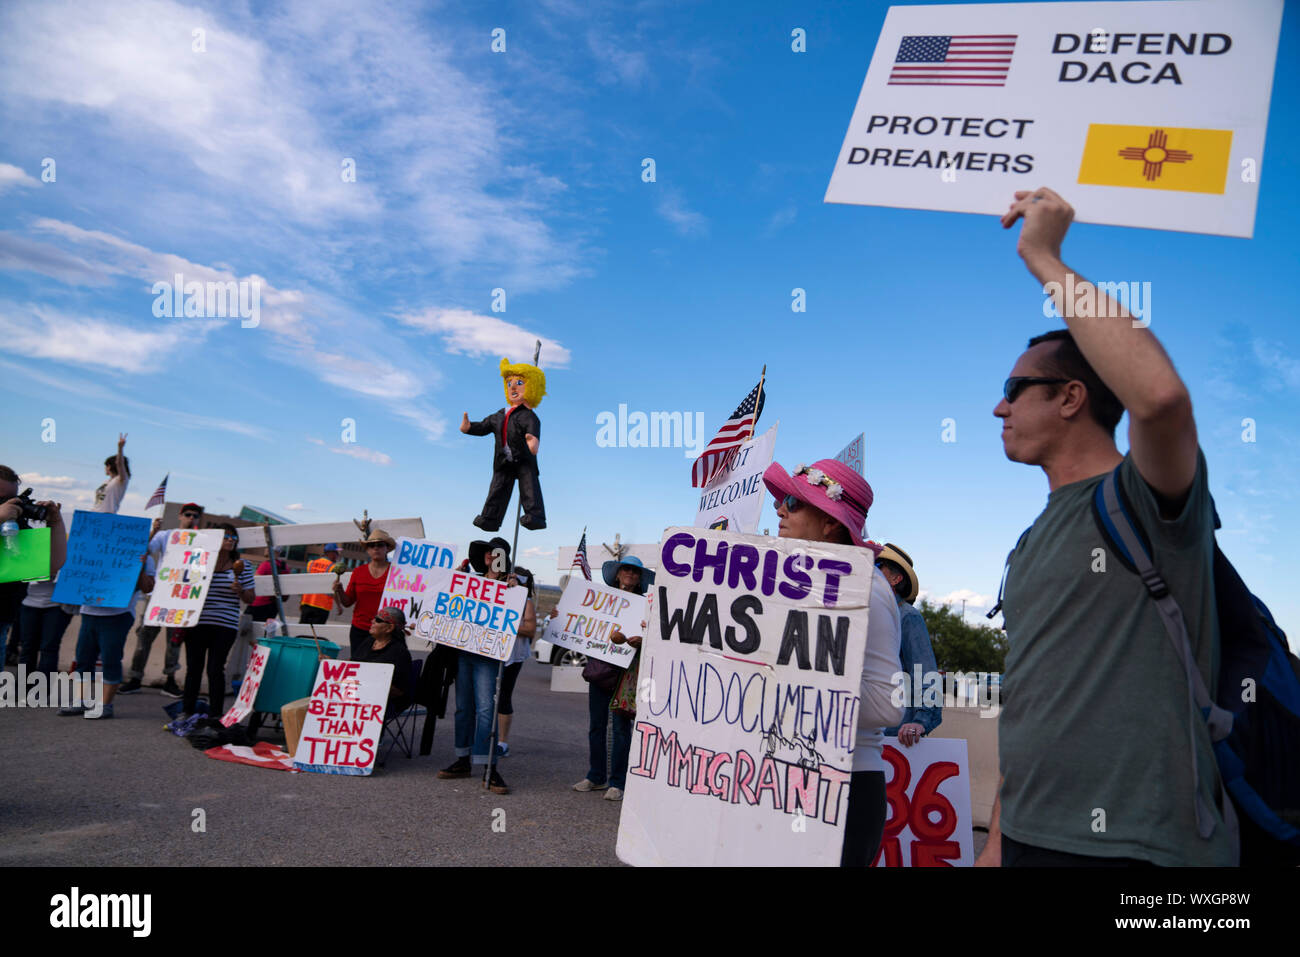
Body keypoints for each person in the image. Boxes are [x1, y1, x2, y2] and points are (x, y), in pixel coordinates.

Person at [976, 187, 1233, 867]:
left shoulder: (1141, 496)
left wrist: (1044, 256)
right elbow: (1033, 696)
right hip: (1027, 838)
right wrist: (998, 838)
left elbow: (1161, 398)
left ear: (1070, 398)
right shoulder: (1030, 539)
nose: (998, 408)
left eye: (1014, 389)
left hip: (1139, 852)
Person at [762, 457, 903, 867]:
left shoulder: (868, 589)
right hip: (787, 779)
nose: (780, 510)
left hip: (845, 785)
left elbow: (887, 705)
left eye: (793, 502)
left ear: (829, 523)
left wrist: (791, 689)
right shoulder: (793, 582)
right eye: (782, 500)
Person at [576, 555, 654, 802]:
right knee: (596, 725)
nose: (630, 574)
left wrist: (643, 640)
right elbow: (582, 624)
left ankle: (618, 782)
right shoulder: (601, 602)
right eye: (626, 569)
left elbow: (656, 635)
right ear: (618, 574)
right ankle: (596, 775)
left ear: (639, 579)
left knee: (621, 728)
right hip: (602, 668)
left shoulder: (648, 606)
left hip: (627, 673)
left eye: (635, 571)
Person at [438, 539, 512, 794]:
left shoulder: (511, 585)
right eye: (489, 552)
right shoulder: (471, 581)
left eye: (497, 552)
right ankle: (463, 759)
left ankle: (489, 765)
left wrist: (514, 589)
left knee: (485, 710)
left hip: (488, 656)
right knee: (463, 708)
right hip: (464, 652)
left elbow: (515, 616)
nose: (492, 556)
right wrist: (455, 581)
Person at [57, 552, 155, 719]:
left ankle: (105, 705)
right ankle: (81, 701)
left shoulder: (144, 556)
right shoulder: (93, 548)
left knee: (111, 660)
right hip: (89, 612)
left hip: (118, 615)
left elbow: (148, 588)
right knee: (83, 658)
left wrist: (139, 568)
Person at [120, 503, 204, 696]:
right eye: (188, 514)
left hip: (181, 596)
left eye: (195, 516)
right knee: (144, 637)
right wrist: (153, 531)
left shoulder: (201, 541)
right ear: (180, 516)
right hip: (159, 594)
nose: (191, 518)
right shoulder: (165, 535)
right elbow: (147, 550)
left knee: (174, 641)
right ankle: (135, 678)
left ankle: (170, 680)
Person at [179, 522, 256, 720]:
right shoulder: (199, 562)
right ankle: (187, 711)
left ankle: (215, 714)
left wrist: (241, 591)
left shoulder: (242, 565)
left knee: (215, 669)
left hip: (225, 624)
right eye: (226, 536)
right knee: (193, 668)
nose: (230, 540)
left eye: (233, 537)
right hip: (197, 621)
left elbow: (251, 598)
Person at [875, 543, 942, 747]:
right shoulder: (869, 614)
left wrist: (920, 722)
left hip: (894, 738)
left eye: (878, 565)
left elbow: (926, 675)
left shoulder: (907, 616)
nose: (871, 571)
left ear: (896, 579)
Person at [0, 466, 68, 666]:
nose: (8, 504)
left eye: (12, 498)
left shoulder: (14, 528)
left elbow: (51, 565)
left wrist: (55, 523)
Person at [495, 565, 538, 758]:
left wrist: (506, 624)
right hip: (494, 652)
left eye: (516, 580)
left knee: (503, 696)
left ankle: (502, 742)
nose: (510, 582)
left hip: (513, 656)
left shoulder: (526, 603)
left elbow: (530, 630)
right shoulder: (498, 596)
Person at [333, 530, 394, 656]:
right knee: (358, 663)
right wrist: (340, 591)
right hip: (359, 629)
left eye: (380, 545)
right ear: (367, 550)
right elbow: (347, 602)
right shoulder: (358, 572)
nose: (376, 548)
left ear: (387, 548)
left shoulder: (397, 572)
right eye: (371, 545)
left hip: (385, 632)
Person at [358, 605, 414, 724]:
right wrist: (332, 664)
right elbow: (353, 664)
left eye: (378, 620)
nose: (372, 621)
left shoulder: (399, 653)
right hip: (359, 694)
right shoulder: (369, 641)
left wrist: (370, 685)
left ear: (390, 628)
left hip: (385, 701)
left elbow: (399, 691)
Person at [300, 543, 340, 625]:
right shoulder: (333, 567)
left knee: (302, 630)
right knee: (316, 631)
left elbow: (305, 583)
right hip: (322, 606)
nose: (337, 555)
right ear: (330, 553)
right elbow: (334, 589)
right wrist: (339, 605)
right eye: (336, 552)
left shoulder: (311, 563)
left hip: (307, 603)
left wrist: (301, 601)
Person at [251, 547, 289, 626]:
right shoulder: (285, 566)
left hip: (259, 603)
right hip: (274, 604)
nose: (265, 549)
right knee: (266, 628)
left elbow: (255, 582)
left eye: (267, 547)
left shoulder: (266, 565)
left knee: (250, 627)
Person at [94, 433, 130, 514]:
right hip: (95, 513)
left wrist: (120, 448)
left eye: (106, 466)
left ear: (110, 466)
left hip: (107, 514)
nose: (105, 468)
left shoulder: (121, 480)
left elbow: (120, 464)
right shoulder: (107, 482)